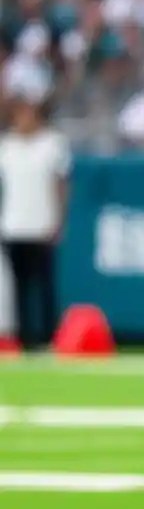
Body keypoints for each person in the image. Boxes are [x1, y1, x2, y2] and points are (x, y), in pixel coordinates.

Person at [0, 81, 69, 350]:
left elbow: (61, 185)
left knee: (44, 285)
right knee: (18, 288)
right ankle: (25, 338)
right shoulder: (6, 146)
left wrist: (58, 220)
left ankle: (49, 338)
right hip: (12, 225)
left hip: (41, 224)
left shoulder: (52, 144)